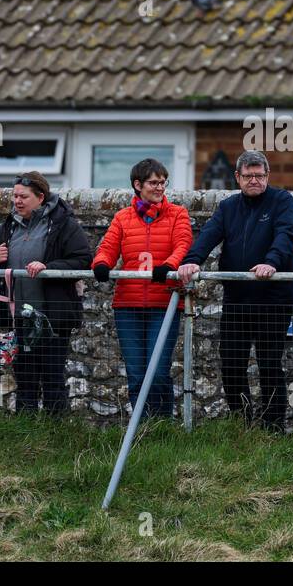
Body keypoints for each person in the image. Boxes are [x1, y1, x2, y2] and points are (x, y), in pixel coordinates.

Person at [177, 151, 293, 430]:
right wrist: (191, 261)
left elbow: (286, 236)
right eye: (248, 176)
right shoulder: (228, 207)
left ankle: (273, 426)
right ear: (238, 177)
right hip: (237, 300)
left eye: (259, 175)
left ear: (267, 176)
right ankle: (241, 423)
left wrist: (271, 263)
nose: (254, 180)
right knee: (232, 365)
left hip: (273, 300)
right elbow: (209, 234)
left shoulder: (282, 201)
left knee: (269, 365)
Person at [0, 172, 93, 415]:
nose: (17, 201)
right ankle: (26, 430)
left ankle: (55, 431)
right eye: (15, 196)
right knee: (25, 378)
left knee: (52, 377)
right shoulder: (9, 225)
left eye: (24, 197)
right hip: (18, 316)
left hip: (52, 317)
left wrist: (49, 268)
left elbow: (83, 260)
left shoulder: (64, 224)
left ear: (41, 197)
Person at [90, 159, 191, 419]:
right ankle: (141, 426)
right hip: (128, 305)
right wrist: (101, 264)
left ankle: (162, 424)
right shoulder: (122, 217)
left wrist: (169, 265)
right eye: (153, 182)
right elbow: (108, 247)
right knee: (136, 373)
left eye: (162, 182)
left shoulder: (177, 213)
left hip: (164, 303)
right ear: (138, 185)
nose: (160, 187)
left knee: (158, 372)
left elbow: (183, 244)